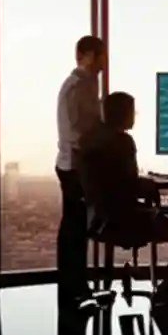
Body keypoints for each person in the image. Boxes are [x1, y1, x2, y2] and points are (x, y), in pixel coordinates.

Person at [77, 91, 168, 304]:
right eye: (132, 111)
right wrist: (151, 185)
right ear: (123, 114)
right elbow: (130, 186)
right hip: (125, 221)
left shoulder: (89, 139)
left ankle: (165, 290)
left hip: (97, 220)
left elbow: (115, 183)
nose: (134, 116)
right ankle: (167, 291)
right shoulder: (122, 142)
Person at [55, 35, 105, 302]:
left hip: (76, 164)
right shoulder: (77, 87)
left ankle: (75, 287)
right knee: (74, 231)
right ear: (85, 55)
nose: (104, 63)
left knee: (75, 229)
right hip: (75, 166)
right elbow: (77, 132)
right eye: (100, 56)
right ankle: (74, 289)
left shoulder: (86, 84)